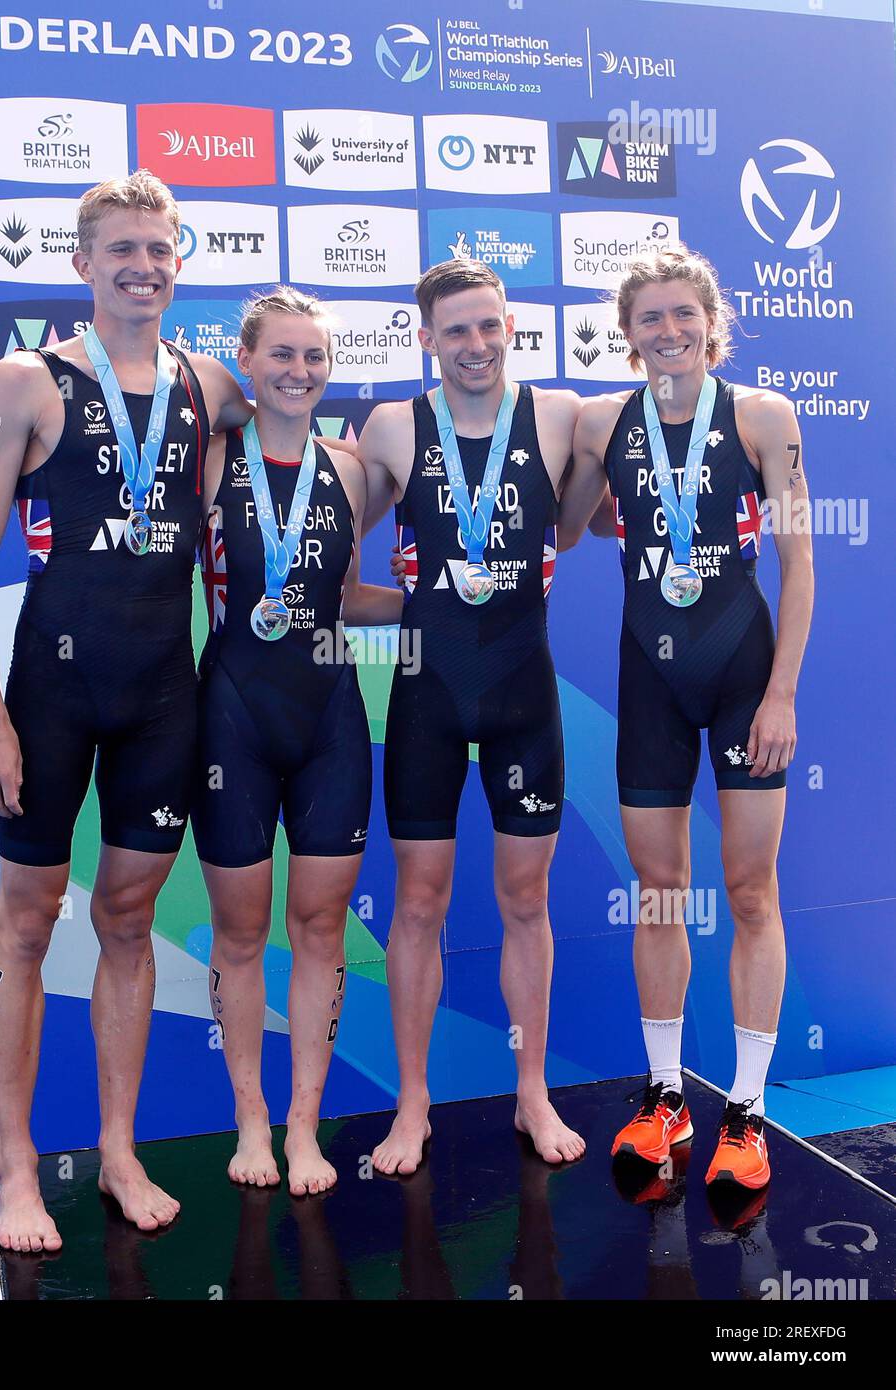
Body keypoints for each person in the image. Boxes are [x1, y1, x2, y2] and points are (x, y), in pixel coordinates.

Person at [0, 171, 251, 1252]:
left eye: (159, 249)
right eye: (121, 249)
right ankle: (20, 1168)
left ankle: (118, 1150)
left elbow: (276, 483)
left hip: (164, 694)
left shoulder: (208, 381)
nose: (143, 266)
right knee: (28, 921)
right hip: (51, 692)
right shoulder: (26, 381)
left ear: (179, 261)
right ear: (82, 264)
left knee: (128, 922)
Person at [559, 244, 813, 1189]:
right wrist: (587, 465)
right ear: (626, 337)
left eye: (683, 315)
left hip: (745, 676)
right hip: (649, 681)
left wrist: (783, 691)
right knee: (660, 887)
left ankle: (746, 1109)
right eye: (649, 320)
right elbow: (574, 525)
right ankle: (666, 1094)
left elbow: (802, 563)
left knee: (750, 889)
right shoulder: (602, 421)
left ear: (712, 320)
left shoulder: (762, 416)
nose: (668, 332)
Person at [360, 259, 585, 1173]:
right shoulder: (391, 427)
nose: (477, 344)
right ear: (426, 338)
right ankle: (413, 1104)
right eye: (456, 330)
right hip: (426, 695)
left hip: (527, 692)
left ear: (511, 325)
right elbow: (327, 553)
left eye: (490, 325)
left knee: (526, 901)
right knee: (418, 905)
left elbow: (575, 526)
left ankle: (532, 1092)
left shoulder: (565, 416)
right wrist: (415, 608)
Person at [191, 287, 403, 1195]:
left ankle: (305, 1128)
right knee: (241, 936)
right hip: (231, 716)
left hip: (330, 717)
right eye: (281, 354)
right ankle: (250, 1122)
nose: (299, 371)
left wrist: (447, 607)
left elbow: (344, 594)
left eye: (314, 356)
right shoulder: (206, 459)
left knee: (320, 929)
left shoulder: (348, 470)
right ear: (248, 362)